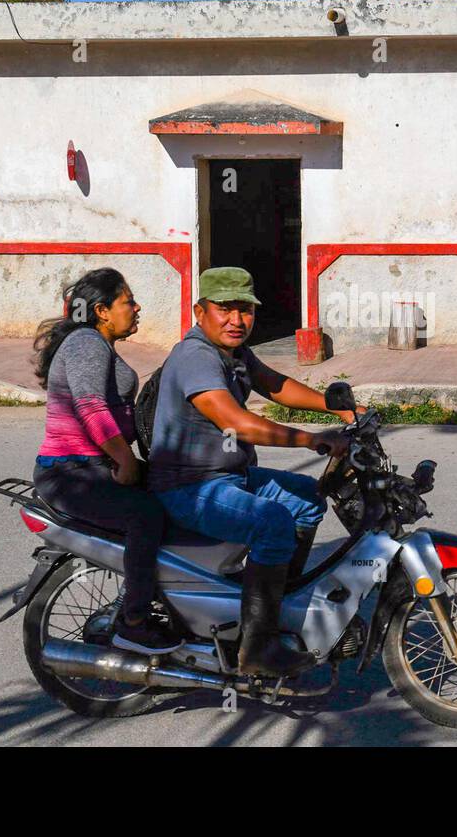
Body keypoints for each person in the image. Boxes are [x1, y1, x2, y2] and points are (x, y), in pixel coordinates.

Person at [147, 267, 361, 677]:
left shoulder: (236, 354)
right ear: (200, 311)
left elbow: (275, 384)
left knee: (307, 500)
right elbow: (239, 424)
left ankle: (273, 603)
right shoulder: (196, 356)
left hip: (230, 476)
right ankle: (257, 648)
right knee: (272, 524)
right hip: (191, 486)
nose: (237, 320)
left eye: (245, 310)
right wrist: (313, 440)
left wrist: (339, 408)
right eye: (225, 309)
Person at [32, 268, 181, 655]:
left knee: (182, 491)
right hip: (71, 473)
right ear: (101, 310)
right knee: (144, 515)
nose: (136, 308)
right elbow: (89, 407)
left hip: (93, 468)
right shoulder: (86, 344)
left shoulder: (98, 344)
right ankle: (133, 621)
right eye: (128, 301)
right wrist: (125, 459)